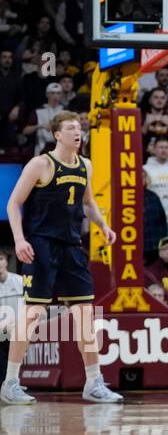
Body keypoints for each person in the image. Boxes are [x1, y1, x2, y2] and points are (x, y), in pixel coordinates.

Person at [2, 112, 122, 405]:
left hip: (71, 246)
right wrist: (19, 239)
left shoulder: (86, 165)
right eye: (70, 128)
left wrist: (103, 225)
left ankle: (93, 382)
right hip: (41, 245)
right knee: (34, 314)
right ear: (57, 134)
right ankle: (11, 382)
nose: (77, 132)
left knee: (85, 316)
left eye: (79, 127)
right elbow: (13, 203)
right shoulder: (41, 163)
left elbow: (88, 202)